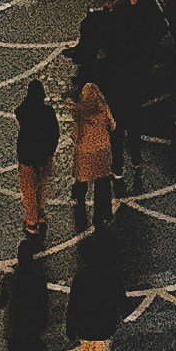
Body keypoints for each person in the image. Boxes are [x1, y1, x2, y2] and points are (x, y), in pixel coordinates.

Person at [66, 215, 128, 351]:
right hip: (104, 328)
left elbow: (73, 305)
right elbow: (120, 296)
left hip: (85, 328)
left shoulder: (80, 277)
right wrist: (125, 312)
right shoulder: (109, 273)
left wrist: (70, 328)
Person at [1, 227, 53, 351]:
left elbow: (0, 300)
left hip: (14, 333)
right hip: (30, 331)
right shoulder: (38, 280)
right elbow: (44, 305)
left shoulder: (10, 278)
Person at [69, 74, 118, 232]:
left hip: (85, 151)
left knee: (81, 177)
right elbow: (113, 125)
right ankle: (101, 215)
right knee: (102, 185)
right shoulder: (102, 107)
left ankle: (79, 198)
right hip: (103, 151)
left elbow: (76, 135)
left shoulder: (79, 112)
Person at [16, 75, 59, 239]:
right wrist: (51, 151)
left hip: (26, 156)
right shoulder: (48, 112)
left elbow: (18, 112)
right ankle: (40, 213)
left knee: (29, 189)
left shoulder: (25, 112)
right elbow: (55, 133)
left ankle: (32, 221)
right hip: (44, 156)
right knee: (41, 186)